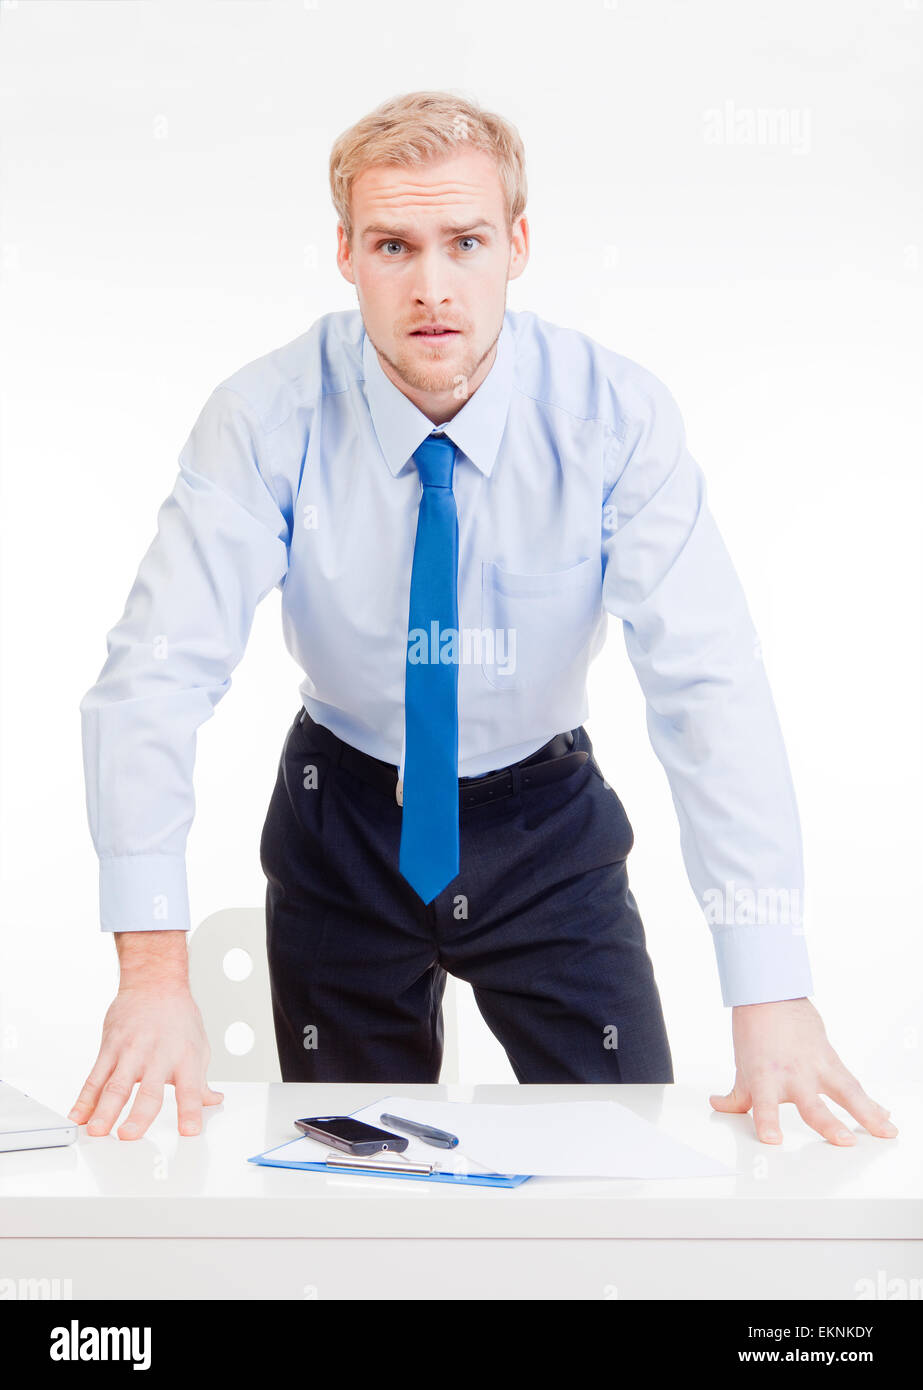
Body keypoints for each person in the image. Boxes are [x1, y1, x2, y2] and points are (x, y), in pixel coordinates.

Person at [71, 90, 897, 1150]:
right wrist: (151, 972)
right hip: (344, 817)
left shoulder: (614, 416)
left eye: (463, 242)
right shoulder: (263, 417)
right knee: (356, 1180)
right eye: (392, 245)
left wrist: (770, 992)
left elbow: (707, 685)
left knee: (622, 1160)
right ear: (344, 254)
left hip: (542, 820)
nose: (430, 288)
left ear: (515, 244)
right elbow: (153, 674)